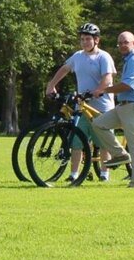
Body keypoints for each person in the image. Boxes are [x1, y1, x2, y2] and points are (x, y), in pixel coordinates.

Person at [44, 22, 116, 182]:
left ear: (96, 40)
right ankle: (74, 174)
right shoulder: (78, 56)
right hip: (82, 106)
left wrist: (98, 90)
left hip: (101, 106)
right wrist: (51, 84)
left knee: (104, 142)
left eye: (88, 39)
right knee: (77, 140)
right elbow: (64, 69)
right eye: (82, 39)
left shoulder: (103, 57)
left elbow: (108, 78)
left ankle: (105, 174)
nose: (84, 42)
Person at [86, 31, 134, 188]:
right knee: (98, 124)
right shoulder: (128, 60)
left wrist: (104, 90)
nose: (122, 45)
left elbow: (127, 85)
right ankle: (120, 154)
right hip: (124, 107)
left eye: (126, 42)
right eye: (120, 43)